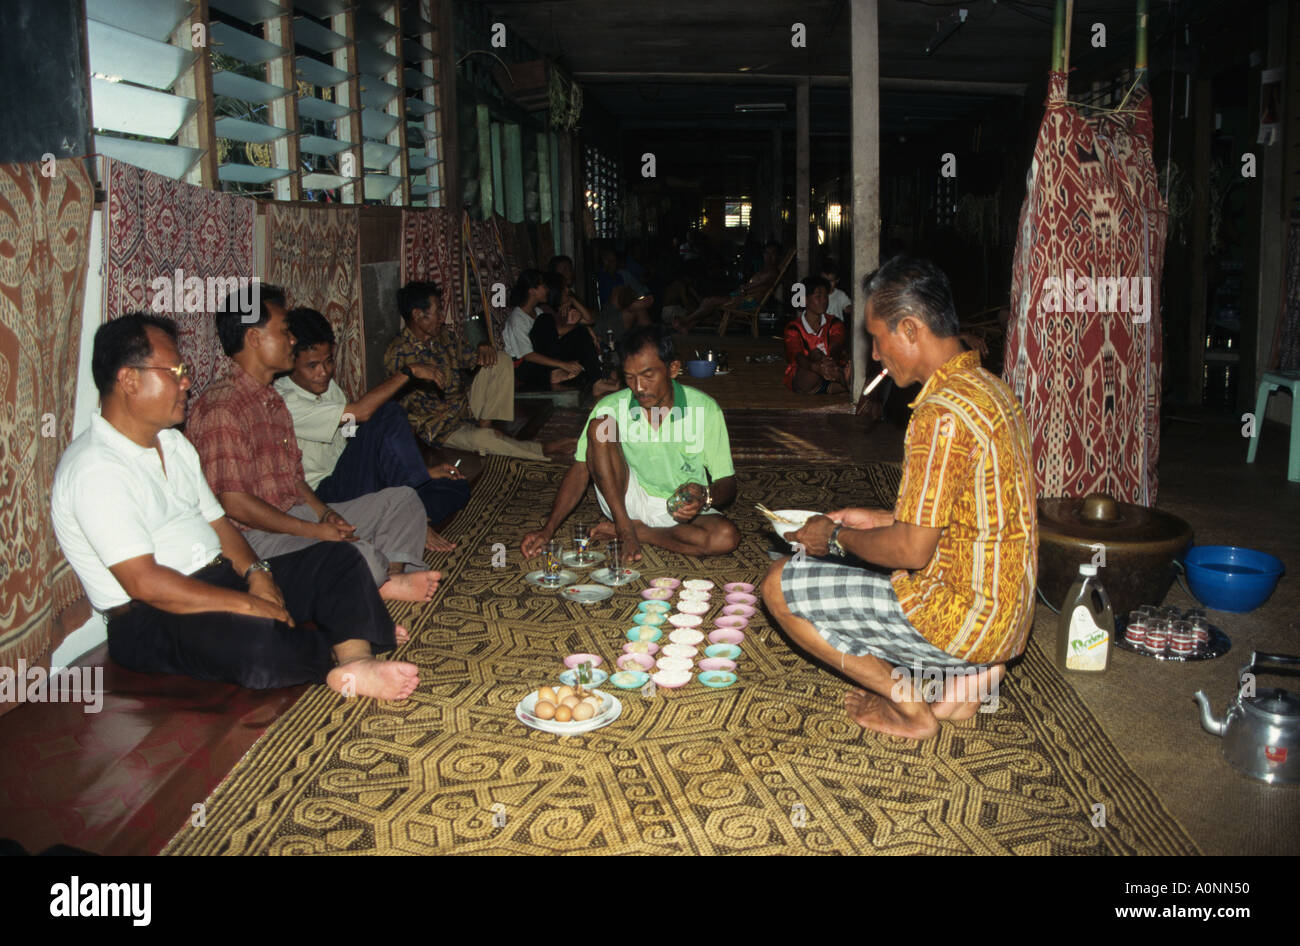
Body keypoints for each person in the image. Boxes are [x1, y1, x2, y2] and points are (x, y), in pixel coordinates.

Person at [51, 313, 419, 700]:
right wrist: (245, 603)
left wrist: (258, 574)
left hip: (219, 577)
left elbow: (218, 523)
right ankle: (338, 647)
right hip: (151, 615)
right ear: (129, 379)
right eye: (174, 371)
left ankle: (356, 655)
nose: (186, 382)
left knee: (339, 560)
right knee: (256, 640)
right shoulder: (94, 468)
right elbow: (145, 583)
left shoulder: (172, 444)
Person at [761, 257, 1037, 740]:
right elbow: (972, 509)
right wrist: (878, 518)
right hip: (1009, 617)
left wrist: (837, 537)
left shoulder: (940, 412)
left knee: (779, 583)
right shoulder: (990, 387)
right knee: (876, 546)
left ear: (910, 328)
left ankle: (911, 706)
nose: (874, 351)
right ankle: (967, 680)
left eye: (876, 336)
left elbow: (911, 550)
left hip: (965, 618)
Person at [187, 287, 439, 603]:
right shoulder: (223, 407)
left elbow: (293, 478)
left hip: (297, 513)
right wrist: (312, 531)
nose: (292, 341)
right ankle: (380, 579)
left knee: (403, 500)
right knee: (354, 555)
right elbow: (234, 504)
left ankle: (388, 576)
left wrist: (324, 514)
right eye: (284, 332)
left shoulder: (271, 400)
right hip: (254, 540)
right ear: (254, 338)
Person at [521, 326, 740, 563]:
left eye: (648, 376)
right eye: (630, 377)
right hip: (624, 500)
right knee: (600, 427)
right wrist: (548, 529)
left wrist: (704, 496)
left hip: (679, 508)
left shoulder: (705, 409)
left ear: (673, 369)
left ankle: (642, 532)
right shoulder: (610, 407)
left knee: (725, 538)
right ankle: (625, 528)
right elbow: (581, 469)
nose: (639, 388)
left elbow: (726, 483)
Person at [276, 307, 470, 552]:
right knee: (387, 413)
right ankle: (409, 518)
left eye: (328, 362)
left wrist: (422, 470)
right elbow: (362, 412)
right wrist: (408, 372)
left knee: (457, 486)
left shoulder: (329, 388)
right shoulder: (284, 400)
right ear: (290, 363)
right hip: (324, 498)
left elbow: (348, 436)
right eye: (312, 365)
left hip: (350, 479)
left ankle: (395, 516)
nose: (323, 372)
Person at [384, 280, 569, 460]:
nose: (442, 318)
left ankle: (486, 425)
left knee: (500, 359)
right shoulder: (399, 353)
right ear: (418, 315)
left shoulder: (442, 336)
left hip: (463, 407)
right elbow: (404, 407)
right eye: (438, 311)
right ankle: (542, 449)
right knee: (482, 440)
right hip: (439, 426)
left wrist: (483, 346)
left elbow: (473, 357)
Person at [674, 240, 784, 332]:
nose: (769, 257)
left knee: (710, 301)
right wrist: (738, 291)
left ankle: (687, 320)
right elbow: (746, 287)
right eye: (767, 253)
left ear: (778, 256)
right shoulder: (763, 271)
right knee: (708, 301)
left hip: (749, 303)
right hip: (742, 299)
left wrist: (741, 290)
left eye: (773, 253)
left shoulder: (772, 273)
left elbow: (750, 287)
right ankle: (689, 324)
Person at [504, 269, 584, 391]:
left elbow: (555, 336)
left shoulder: (538, 312)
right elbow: (528, 355)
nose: (547, 290)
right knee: (546, 319)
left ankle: (594, 379)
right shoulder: (517, 319)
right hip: (524, 367)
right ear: (532, 291)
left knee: (578, 338)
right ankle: (555, 372)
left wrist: (582, 329)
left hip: (540, 361)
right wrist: (561, 364)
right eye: (543, 286)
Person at [784, 276, 850, 394]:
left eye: (825, 296)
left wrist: (828, 363)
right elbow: (798, 357)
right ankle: (842, 383)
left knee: (848, 369)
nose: (823, 301)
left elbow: (836, 347)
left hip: (831, 370)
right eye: (818, 296)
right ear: (805, 299)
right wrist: (817, 368)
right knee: (815, 354)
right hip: (808, 374)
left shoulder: (834, 323)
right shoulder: (793, 328)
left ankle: (834, 385)